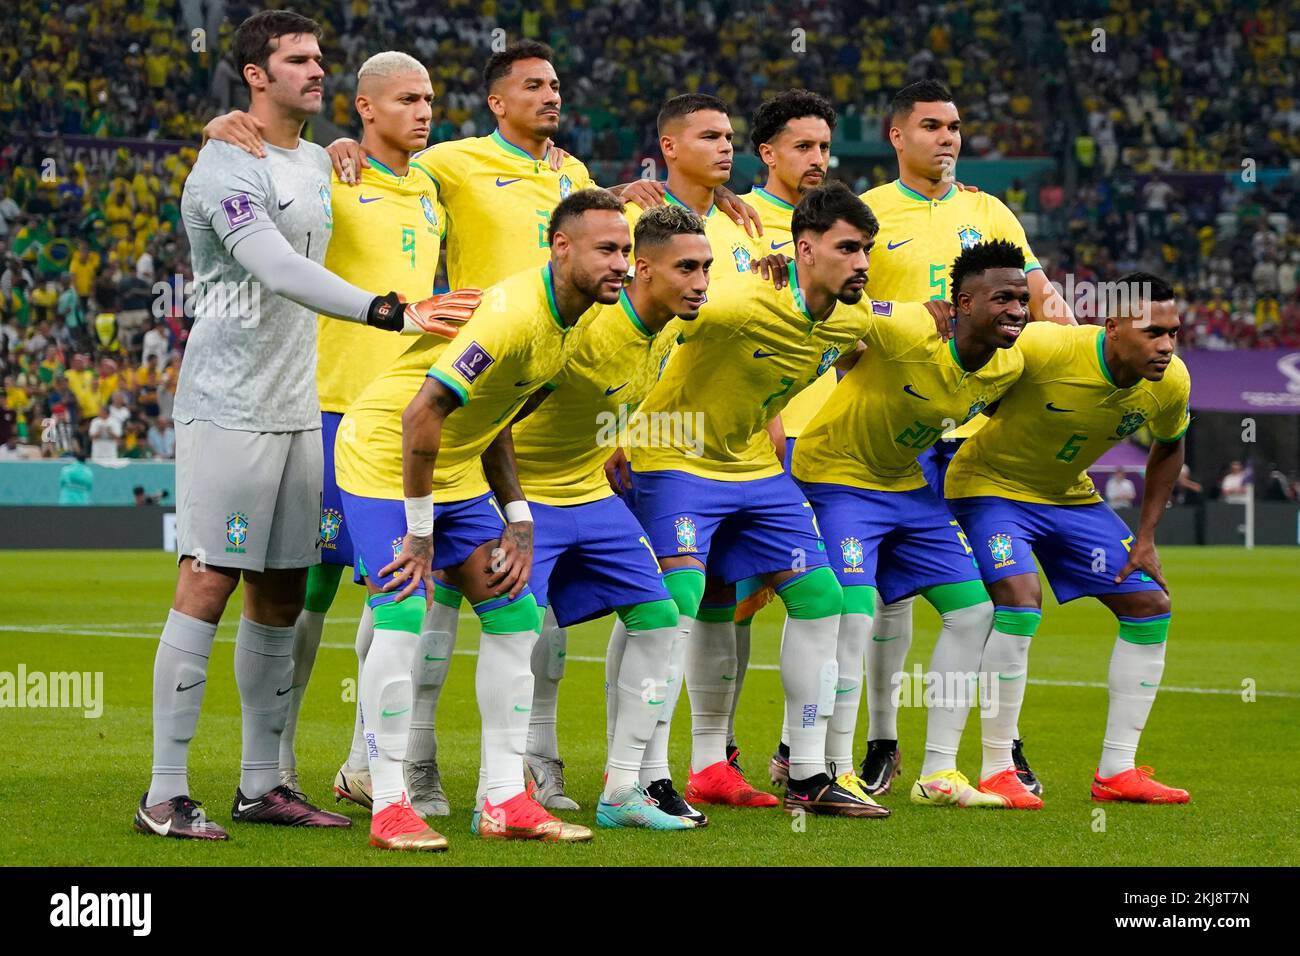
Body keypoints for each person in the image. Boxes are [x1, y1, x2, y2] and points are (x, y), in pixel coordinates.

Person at [133, 9, 468, 843]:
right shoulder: (225, 166)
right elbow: (278, 269)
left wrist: (346, 153)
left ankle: (261, 786)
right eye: (297, 60)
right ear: (254, 74)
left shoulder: (319, 158)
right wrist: (391, 312)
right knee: (209, 579)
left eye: (320, 58)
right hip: (229, 404)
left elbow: (338, 174)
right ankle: (163, 793)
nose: (317, 71)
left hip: (296, 405)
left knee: (281, 593)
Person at [771, 79, 1074, 795]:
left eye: (957, 126)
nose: (948, 138)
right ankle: (853, 748)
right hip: (868, 434)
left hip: (958, 436)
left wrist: (1067, 335)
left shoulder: (989, 212)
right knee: (869, 606)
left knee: (980, 602)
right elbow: (837, 310)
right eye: (933, 125)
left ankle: (973, 756)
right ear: (897, 135)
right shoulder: (869, 211)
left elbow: (1039, 296)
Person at [338, 190, 633, 847]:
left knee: (516, 613)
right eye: (607, 250)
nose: (622, 263)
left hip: (456, 465)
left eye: (626, 251)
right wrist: (419, 533)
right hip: (386, 455)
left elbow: (496, 414)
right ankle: (389, 804)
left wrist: (518, 515)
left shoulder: (577, 321)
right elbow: (422, 416)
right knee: (402, 608)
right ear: (562, 248)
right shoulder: (513, 313)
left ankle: (502, 801)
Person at [615, 182, 889, 818]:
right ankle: (649, 777)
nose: (862, 263)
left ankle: (809, 772)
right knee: (677, 602)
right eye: (847, 248)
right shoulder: (733, 302)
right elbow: (644, 328)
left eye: (867, 250)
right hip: (673, 454)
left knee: (821, 597)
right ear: (805, 249)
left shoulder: (856, 318)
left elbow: (892, 325)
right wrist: (619, 430)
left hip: (751, 469)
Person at [793, 239, 1039, 809]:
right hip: (838, 476)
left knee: (974, 610)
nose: (1017, 311)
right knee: (853, 615)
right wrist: (782, 270)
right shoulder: (907, 330)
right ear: (961, 304)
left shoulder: (1010, 365)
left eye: (1022, 299)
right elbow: (837, 306)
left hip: (906, 486)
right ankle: (832, 770)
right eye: (1001, 297)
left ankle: (939, 774)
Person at [945, 273, 1192, 804]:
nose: (1166, 346)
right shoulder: (1046, 345)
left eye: (1174, 332)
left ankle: (1117, 772)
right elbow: (966, 370)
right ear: (1112, 326)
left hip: (1067, 496)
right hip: (989, 488)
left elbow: (1169, 446)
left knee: (1150, 602)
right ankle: (997, 767)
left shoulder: (1171, 383)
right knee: (1020, 597)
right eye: (1153, 332)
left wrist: (1145, 537)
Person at [510, 205, 712, 830]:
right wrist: (505, 503)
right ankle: (476, 779)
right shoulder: (585, 333)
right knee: (509, 633)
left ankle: (623, 788)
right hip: (522, 493)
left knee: (659, 618)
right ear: (643, 270)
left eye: (706, 267)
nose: (702, 281)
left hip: (590, 494)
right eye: (687, 268)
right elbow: (502, 413)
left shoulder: (671, 328)